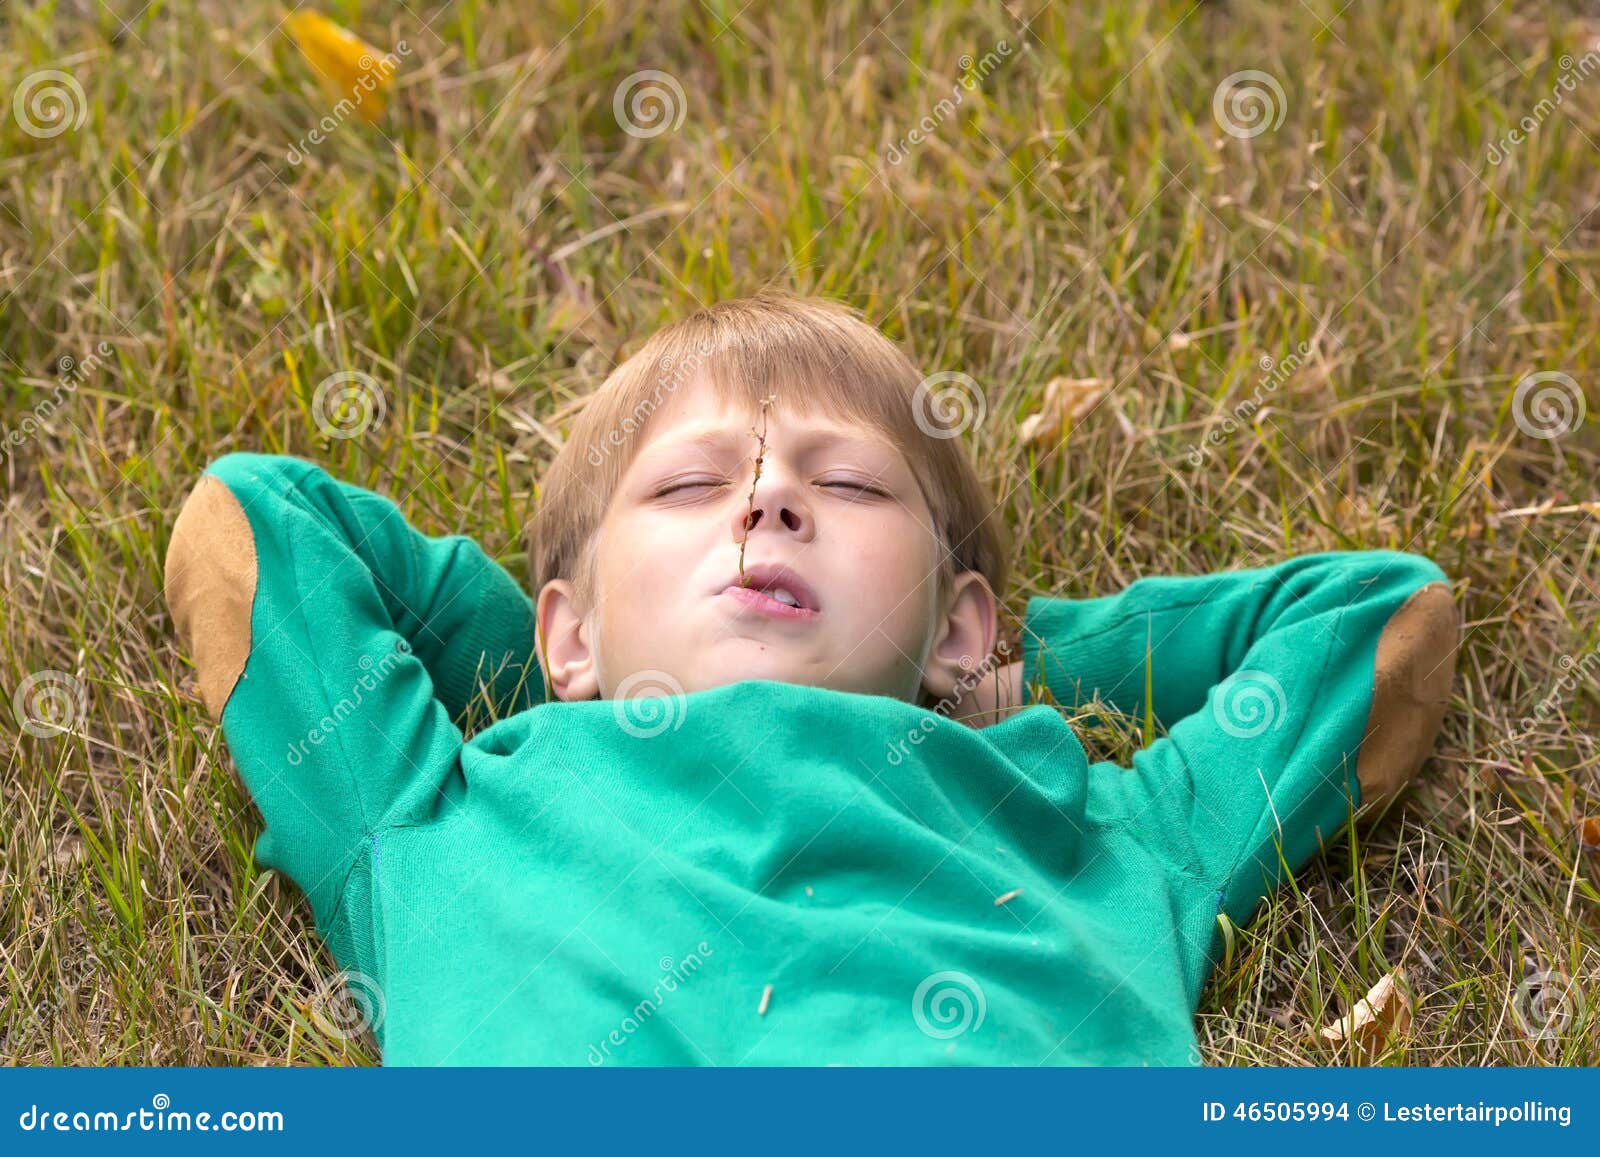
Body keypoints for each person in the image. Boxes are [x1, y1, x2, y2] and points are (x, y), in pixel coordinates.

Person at [163, 292, 1458, 1064]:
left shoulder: (1096, 834)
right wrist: (539, 669)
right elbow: (253, 523)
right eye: (687, 485)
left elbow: (1378, 616)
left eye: (844, 482)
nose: (770, 498)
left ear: (964, 624)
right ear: (570, 635)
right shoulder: (435, 811)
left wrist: (987, 673)